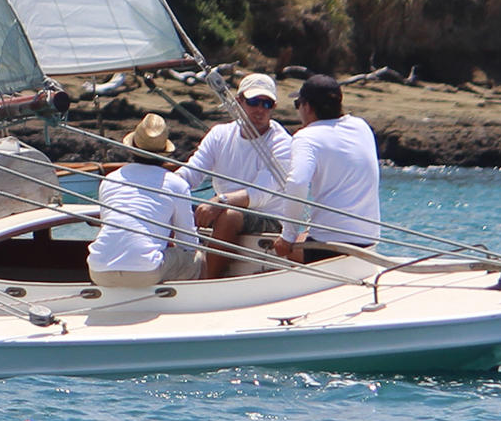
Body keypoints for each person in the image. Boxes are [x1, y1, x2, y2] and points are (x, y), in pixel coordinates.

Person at [182, 71, 297, 280]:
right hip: (225, 208)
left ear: (274, 108)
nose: (260, 110)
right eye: (253, 102)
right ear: (239, 102)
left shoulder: (282, 143)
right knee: (172, 202)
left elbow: (260, 194)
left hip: (268, 217)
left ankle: (207, 281)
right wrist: (164, 187)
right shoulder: (220, 134)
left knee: (230, 215)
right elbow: (191, 173)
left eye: (267, 104)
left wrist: (220, 201)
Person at [274, 73, 382, 262]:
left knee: (275, 254)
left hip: (331, 246)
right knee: (304, 237)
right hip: (369, 243)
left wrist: (287, 236)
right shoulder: (361, 126)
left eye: (297, 104)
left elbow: (297, 183)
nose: (298, 110)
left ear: (307, 107)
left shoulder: (306, 137)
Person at [89, 114, 196, 288]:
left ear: (132, 148)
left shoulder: (109, 180)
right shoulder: (177, 184)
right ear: (165, 152)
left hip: (98, 269)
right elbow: (188, 242)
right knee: (196, 258)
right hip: (145, 272)